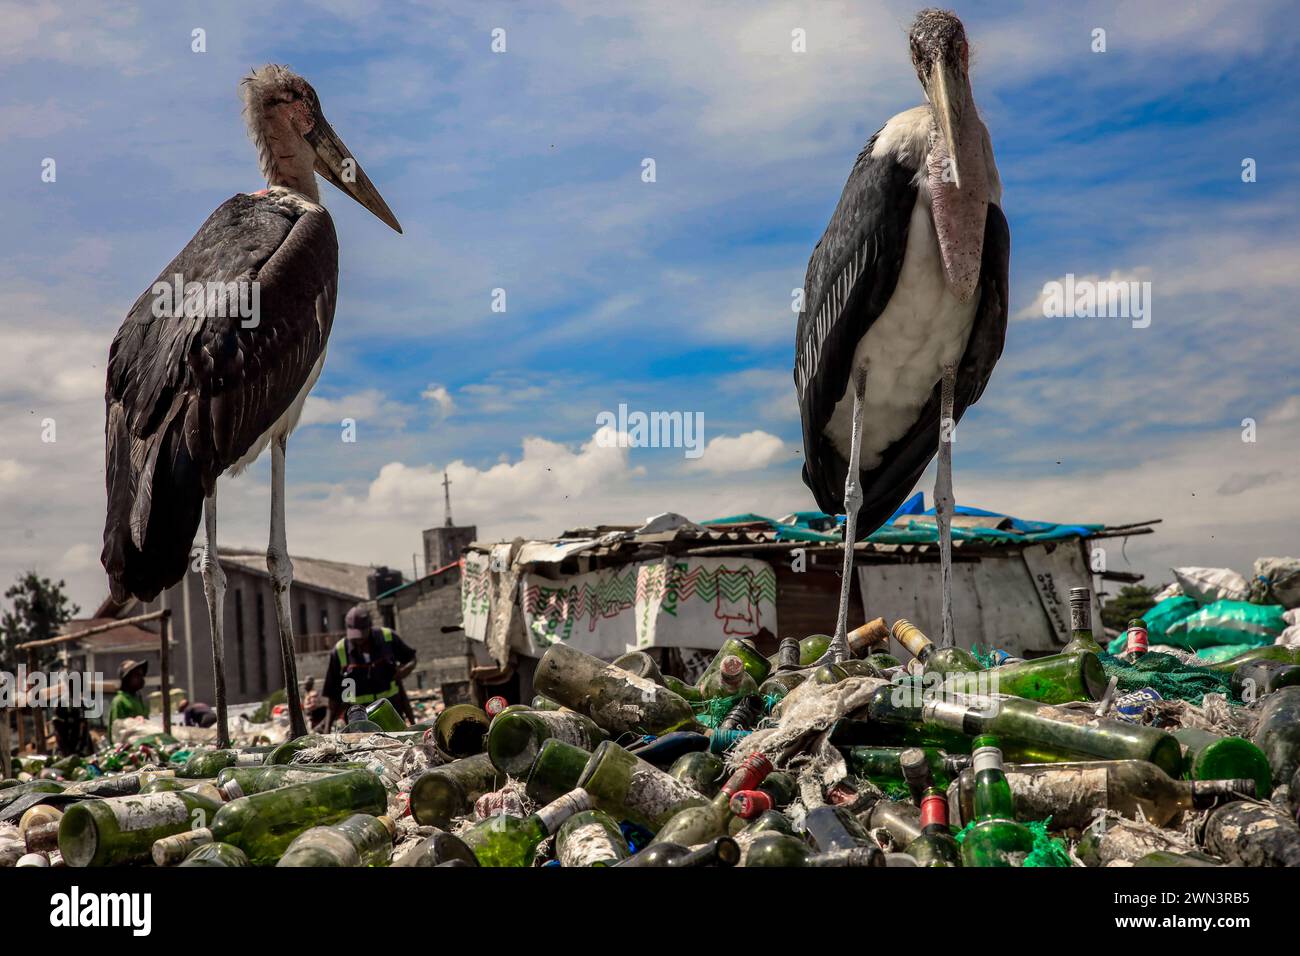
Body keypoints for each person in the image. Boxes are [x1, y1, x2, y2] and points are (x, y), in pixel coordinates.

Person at [323, 606, 417, 727]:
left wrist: (406, 669)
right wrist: (326, 731)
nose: (359, 640)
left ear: (370, 626)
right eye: (355, 636)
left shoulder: (388, 638)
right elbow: (333, 697)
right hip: (359, 719)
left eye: (362, 634)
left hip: (390, 713)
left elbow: (411, 659)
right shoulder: (340, 651)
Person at [107, 659, 150, 742]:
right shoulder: (119, 701)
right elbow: (117, 732)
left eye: (141, 675)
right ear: (127, 679)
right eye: (137, 675)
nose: (141, 678)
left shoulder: (138, 699)